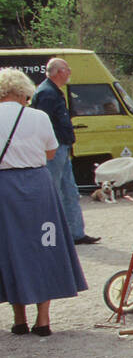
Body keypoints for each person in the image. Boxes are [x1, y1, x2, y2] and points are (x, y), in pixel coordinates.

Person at [0, 68, 87, 336]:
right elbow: (51, 152)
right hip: (38, 186)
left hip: (4, 187)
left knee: (10, 248)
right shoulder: (38, 117)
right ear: (22, 90)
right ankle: (44, 319)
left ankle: (19, 318)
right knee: (44, 245)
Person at [31, 57, 97, 244]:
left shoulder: (53, 92)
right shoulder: (47, 94)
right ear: (58, 72)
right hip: (54, 148)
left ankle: (76, 233)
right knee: (55, 192)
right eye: (67, 69)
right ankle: (53, 235)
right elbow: (44, 123)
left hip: (62, 146)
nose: (69, 73)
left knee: (69, 190)